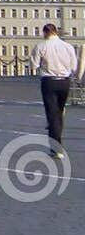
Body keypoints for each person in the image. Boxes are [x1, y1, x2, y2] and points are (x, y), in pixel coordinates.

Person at [33, 24, 79, 159]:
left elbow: (34, 64)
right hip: (65, 82)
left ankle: (56, 147)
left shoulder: (41, 46)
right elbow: (74, 66)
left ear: (45, 33)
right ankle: (56, 127)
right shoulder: (68, 46)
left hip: (49, 81)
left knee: (52, 113)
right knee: (59, 111)